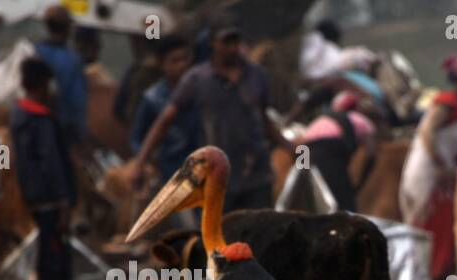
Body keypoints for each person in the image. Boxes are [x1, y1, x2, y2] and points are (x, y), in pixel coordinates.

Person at [126, 18, 292, 213]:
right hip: (218, 177)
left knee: (261, 235)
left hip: (257, 174)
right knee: (218, 237)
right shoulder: (197, 80)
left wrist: (289, 148)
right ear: (213, 43)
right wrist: (140, 163)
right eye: (226, 42)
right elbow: (164, 122)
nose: (232, 47)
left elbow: (264, 120)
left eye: (235, 41)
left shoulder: (257, 75)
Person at [11, 57, 97, 280]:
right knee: (52, 259)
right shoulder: (40, 119)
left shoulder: (19, 117)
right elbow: (51, 162)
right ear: (42, 84)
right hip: (50, 201)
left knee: (51, 257)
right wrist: (63, 201)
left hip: (36, 199)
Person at [400, 55, 457, 280]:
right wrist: (439, 165)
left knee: (440, 227)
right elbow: (428, 132)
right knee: (428, 227)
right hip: (430, 174)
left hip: (441, 173)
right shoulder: (447, 103)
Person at [129, 35, 201, 186]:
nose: (182, 65)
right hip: (169, 171)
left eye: (185, 59)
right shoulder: (153, 98)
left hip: (202, 167)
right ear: (162, 64)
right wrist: (146, 163)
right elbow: (137, 139)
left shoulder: (201, 90)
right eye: (175, 61)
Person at [299, 91, 376, 211]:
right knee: (344, 203)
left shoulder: (322, 119)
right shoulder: (359, 119)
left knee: (309, 195)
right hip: (327, 148)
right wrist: (361, 181)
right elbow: (370, 153)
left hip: (303, 149)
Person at [33, 5, 87, 145]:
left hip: (33, 128)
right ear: (67, 29)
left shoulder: (34, 52)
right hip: (59, 132)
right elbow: (77, 103)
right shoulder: (72, 60)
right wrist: (80, 136)